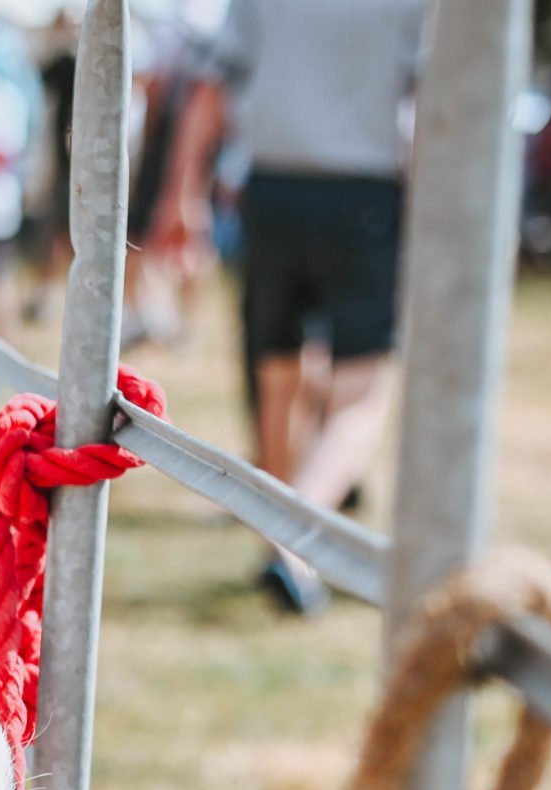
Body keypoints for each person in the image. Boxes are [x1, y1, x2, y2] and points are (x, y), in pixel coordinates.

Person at [149, 0, 430, 615]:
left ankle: (280, 541)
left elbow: (212, 90)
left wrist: (181, 196)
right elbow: (436, 104)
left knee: (277, 375)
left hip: (273, 191)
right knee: (361, 390)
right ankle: (296, 543)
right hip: (367, 196)